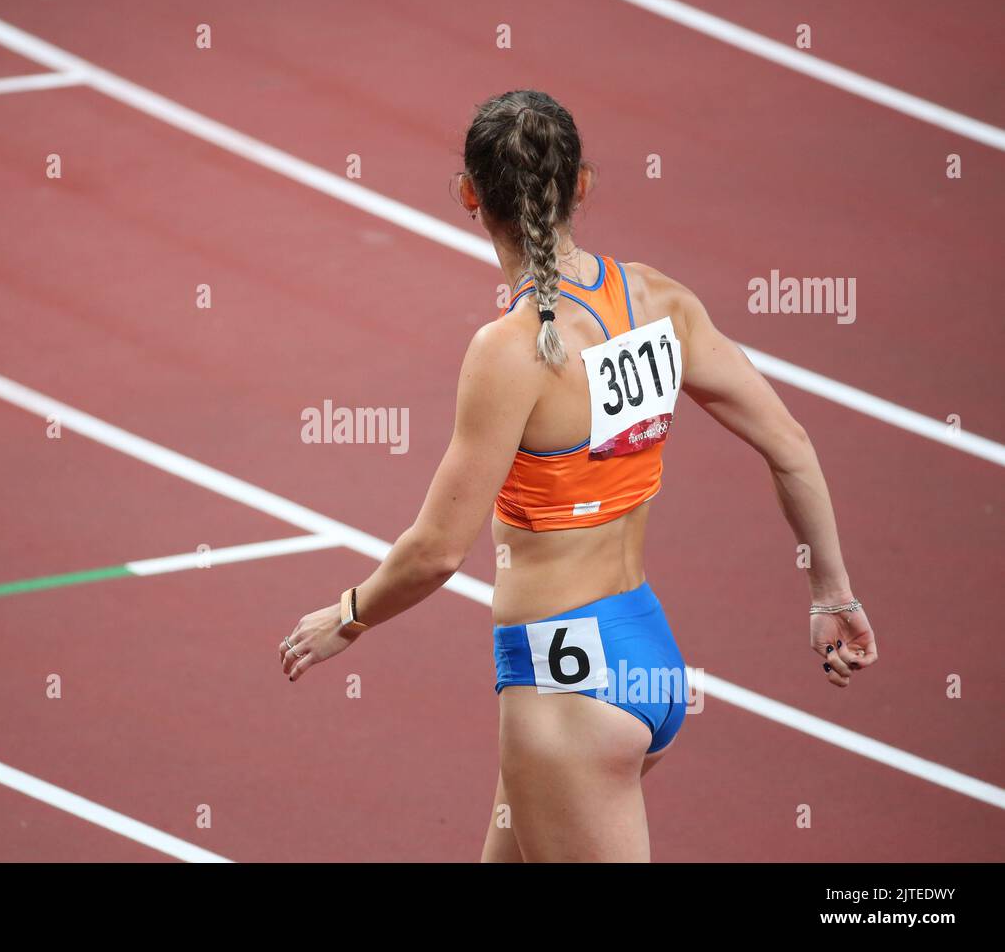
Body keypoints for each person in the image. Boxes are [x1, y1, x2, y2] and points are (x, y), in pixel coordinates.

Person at [278, 89, 877, 862]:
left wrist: (348, 616)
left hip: (565, 692)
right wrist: (833, 595)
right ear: (582, 185)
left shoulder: (511, 349)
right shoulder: (659, 301)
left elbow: (435, 551)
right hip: (644, 656)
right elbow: (790, 443)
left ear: (468, 194)